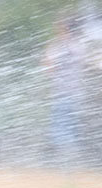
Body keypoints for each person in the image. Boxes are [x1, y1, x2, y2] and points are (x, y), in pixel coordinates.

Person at [43, 13, 90, 165]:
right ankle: (71, 162)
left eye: (60, 27)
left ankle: (66, 164)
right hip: (76, 93)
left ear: (64, 28)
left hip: (62, 93)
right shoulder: (79, 46)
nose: (57, 30)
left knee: (61, 128)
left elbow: (49, 67)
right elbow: (82, 64)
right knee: (71, 126)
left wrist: (47, 57)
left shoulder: (60, 47)